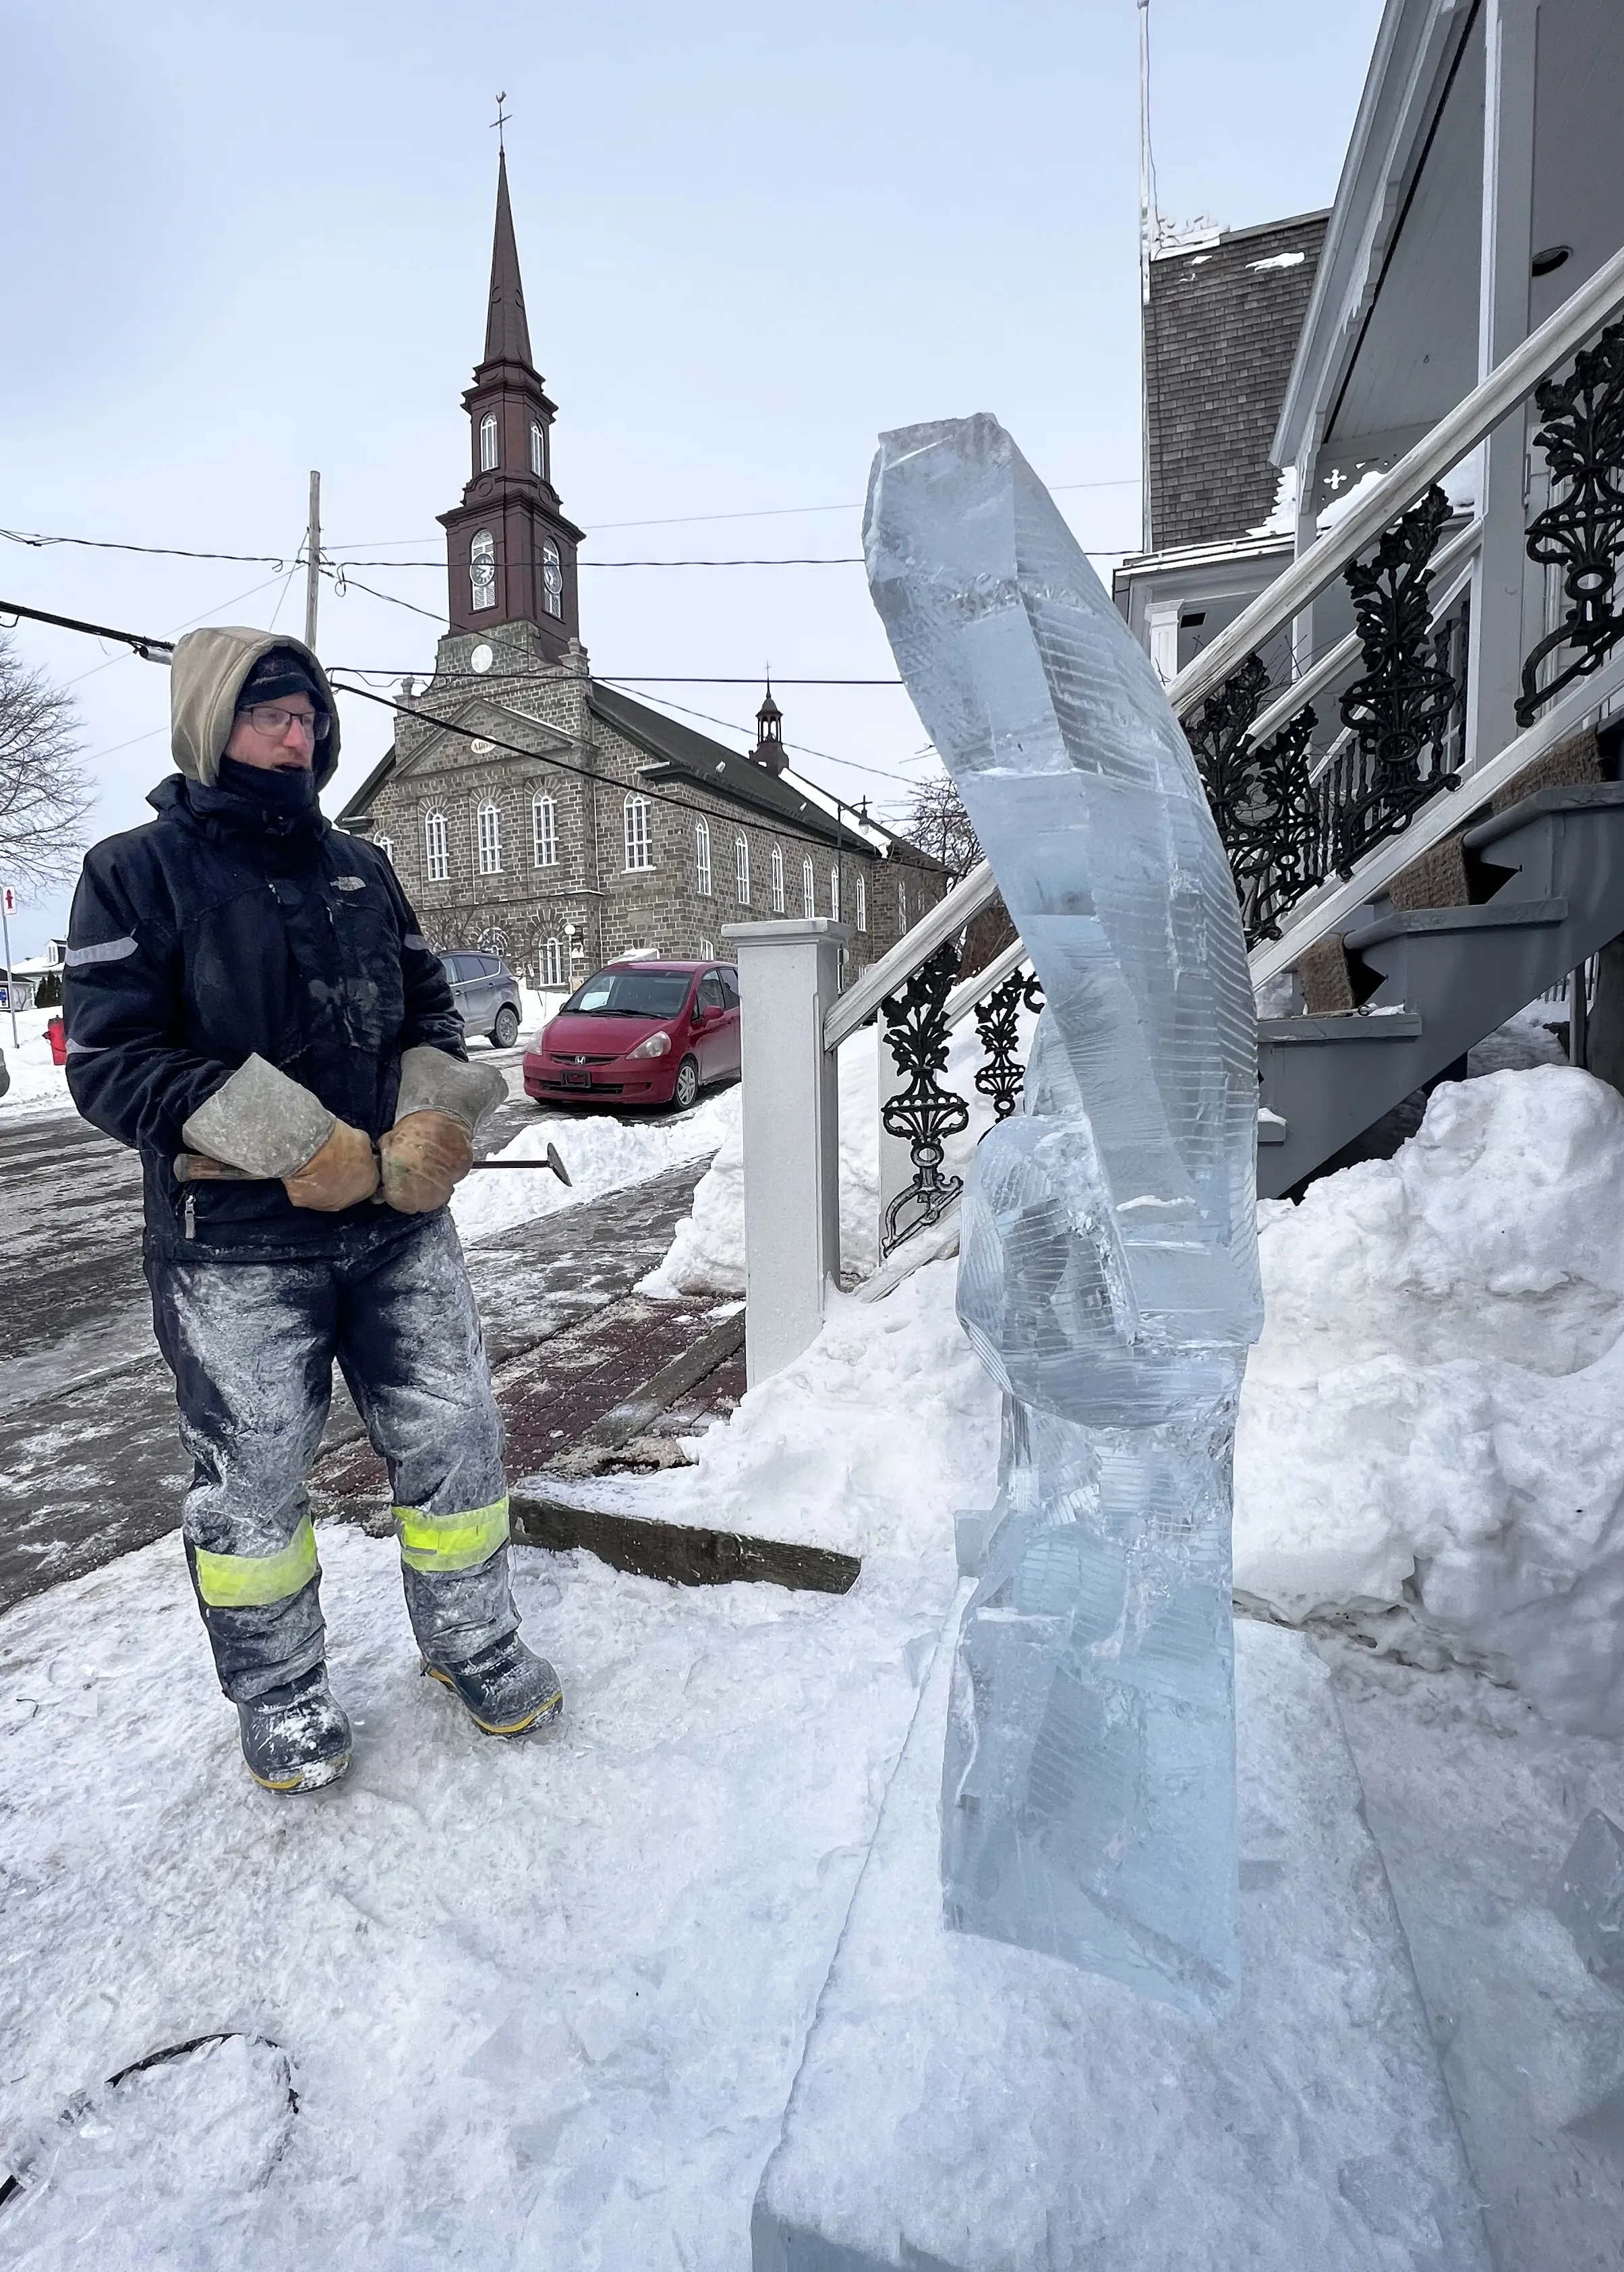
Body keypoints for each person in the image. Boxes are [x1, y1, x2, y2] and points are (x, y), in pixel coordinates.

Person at [63, 627, 562, 1792]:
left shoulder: (362, 865)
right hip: (234, 1250)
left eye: (310, 718)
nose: (300, 737)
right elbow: (108, 1059)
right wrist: (296, 1143)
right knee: (252, 1482)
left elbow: (428, 1008)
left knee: (454, 1440)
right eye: (270, 716)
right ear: (208, 723)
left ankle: (474, 1642)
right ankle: (281, 1693)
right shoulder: (133, 871)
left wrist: (436, 1116)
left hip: (396, 1231)